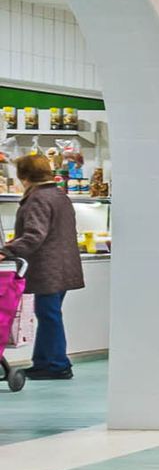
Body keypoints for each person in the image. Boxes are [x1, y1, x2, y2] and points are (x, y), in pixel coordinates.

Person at [5, 150, 84, 381]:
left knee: (48, 315)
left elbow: (34, 236)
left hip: (49, 268)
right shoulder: (59, 195)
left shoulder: (38, 198)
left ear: (25, 176)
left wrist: (6, 251)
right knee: (49, 314)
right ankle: (44, 362)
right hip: (65, 265)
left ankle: (57, 364)